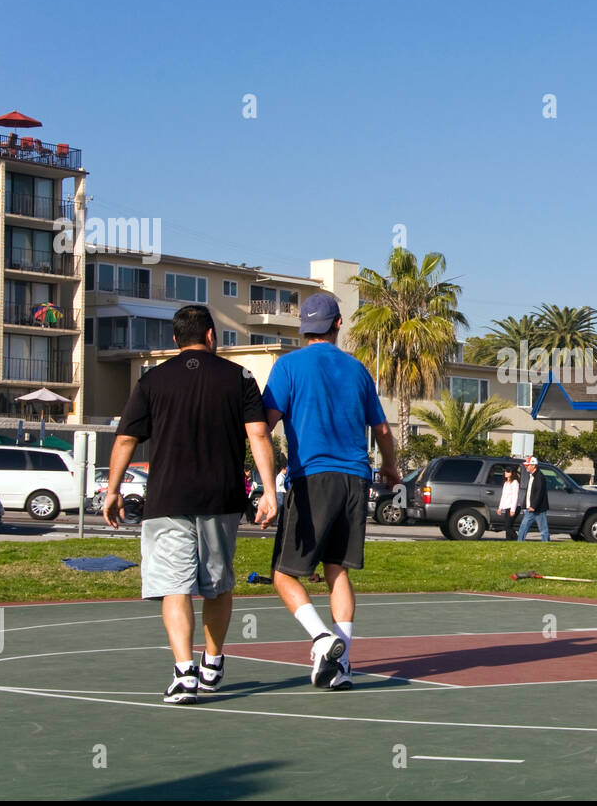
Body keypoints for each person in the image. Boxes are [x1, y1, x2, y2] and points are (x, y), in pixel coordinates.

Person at [105, 305, 278, 704]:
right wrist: (269, 491)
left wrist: (113, 490)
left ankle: (185, 674)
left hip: (167, 498)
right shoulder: (239, 377)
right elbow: (259, 435)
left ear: (174, 340)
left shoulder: (152, 382)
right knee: (217, 586)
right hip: (221, 498)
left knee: (174, 586)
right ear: (212, 336)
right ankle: (213, 663)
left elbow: (126, 439)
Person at [263, 292, 399, 691]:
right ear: (338, 324)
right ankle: (342, 664)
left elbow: (264, 425)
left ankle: (323, 639)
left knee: (283, 575)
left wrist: (264, 476)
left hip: (313, 479)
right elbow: (383, 430)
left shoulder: (287, 367)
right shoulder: (358, 371)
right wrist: (390, 467)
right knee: (336, 569)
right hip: (355, 479)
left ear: (303, 327)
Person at [517, 456, 550, 541]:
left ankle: (546, 543)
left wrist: (533, 506)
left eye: (528, 465)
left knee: (543, 529)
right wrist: (525, 505)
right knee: (523, 527)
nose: (526, 467)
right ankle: (519, 542)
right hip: (530, 508)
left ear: (533, 465)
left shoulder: (539, 477)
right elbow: (529, 493)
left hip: (538, 509)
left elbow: (539, 492)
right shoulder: (531, 476)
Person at [497, 466, 521, 540]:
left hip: (514, 507)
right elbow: (503, 496)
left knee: (507, 526)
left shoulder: (515, 483)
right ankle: (508, 541)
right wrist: (500, 508)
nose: (505, 473)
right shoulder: (506, 483)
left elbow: (515, 496)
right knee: (508, 525)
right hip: (507, 507)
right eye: (505, 471)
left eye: (508, 471)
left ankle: (517, 539)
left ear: (512, 473)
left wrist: (513, 509)